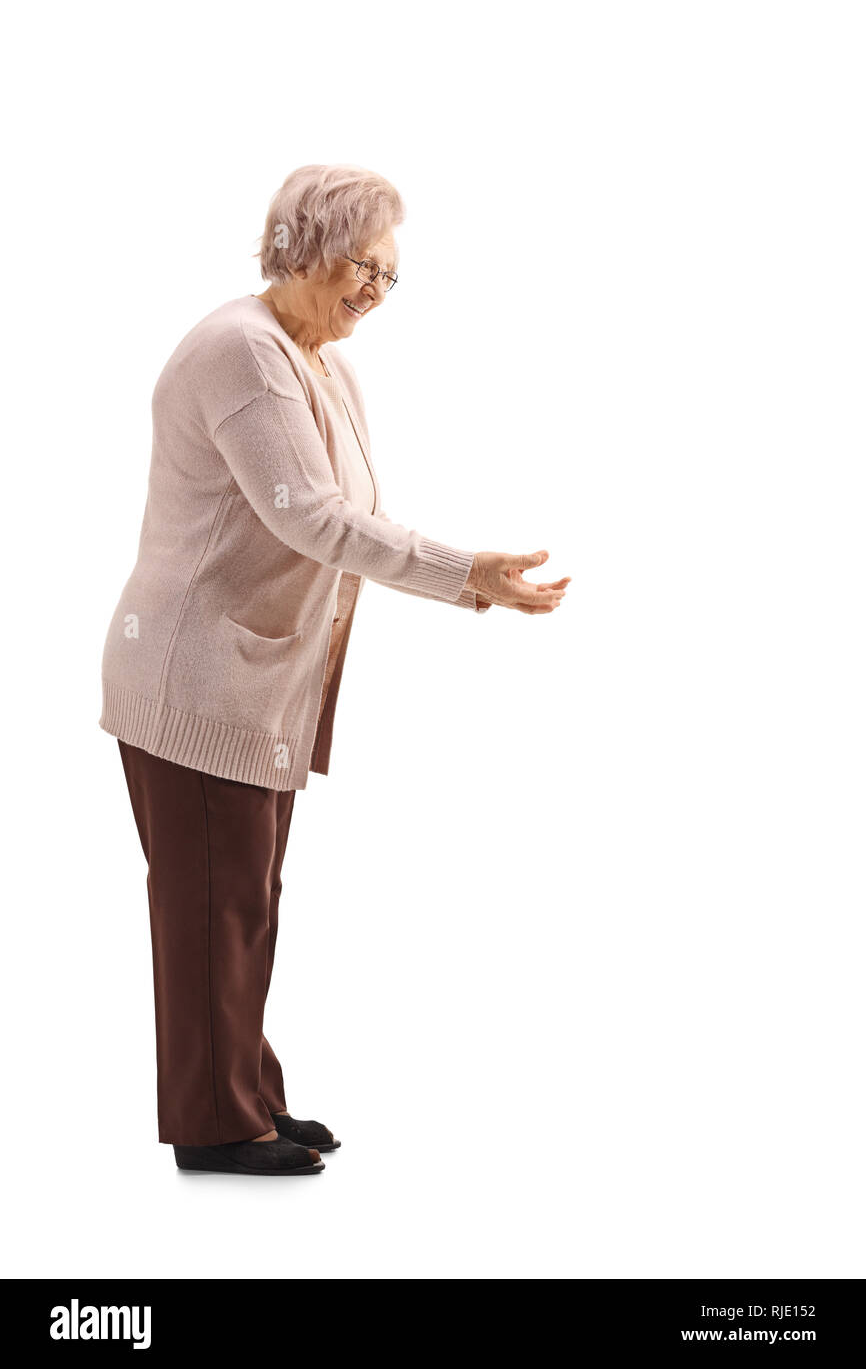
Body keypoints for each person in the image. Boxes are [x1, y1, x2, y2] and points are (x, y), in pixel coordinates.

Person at [99, 163, 570, 1177]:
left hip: (253, 679)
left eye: (389, 276)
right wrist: (465, 574)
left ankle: (245, 1094)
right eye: (362, 264)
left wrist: (465, 575)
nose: (373, 291)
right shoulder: (244, 352)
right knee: (210, 903)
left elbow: (353, 514)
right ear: (300, 244)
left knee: (240, 898)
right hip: (196, 678)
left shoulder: (322, 364)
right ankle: (215, 1125)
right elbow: (310, 519)